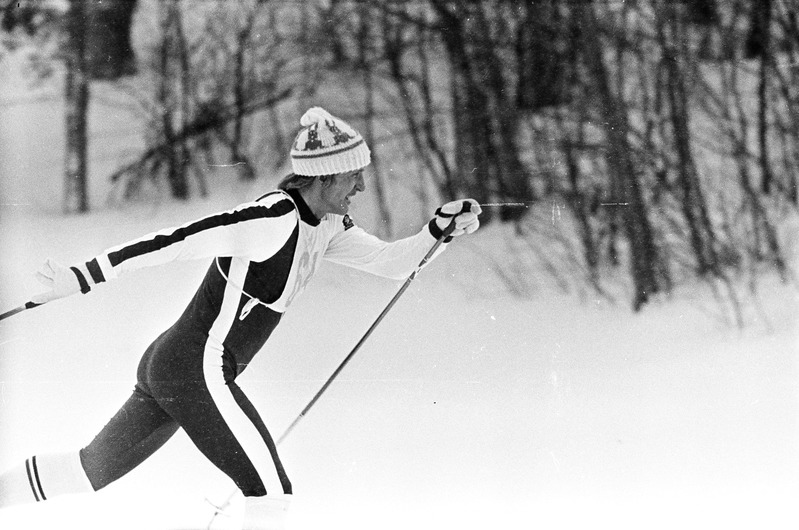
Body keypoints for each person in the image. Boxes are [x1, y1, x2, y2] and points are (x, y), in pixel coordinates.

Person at [0, 107, 481, 530]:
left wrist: (438, 232)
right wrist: (82, 276)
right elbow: (176, 240)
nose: (361, 186)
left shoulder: (327, 226)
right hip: (195, 369)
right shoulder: (269, 220)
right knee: (271, 495)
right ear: (323, 177)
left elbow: (390, 263)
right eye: (353, 174)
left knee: (89, 472)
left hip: (174, 367)